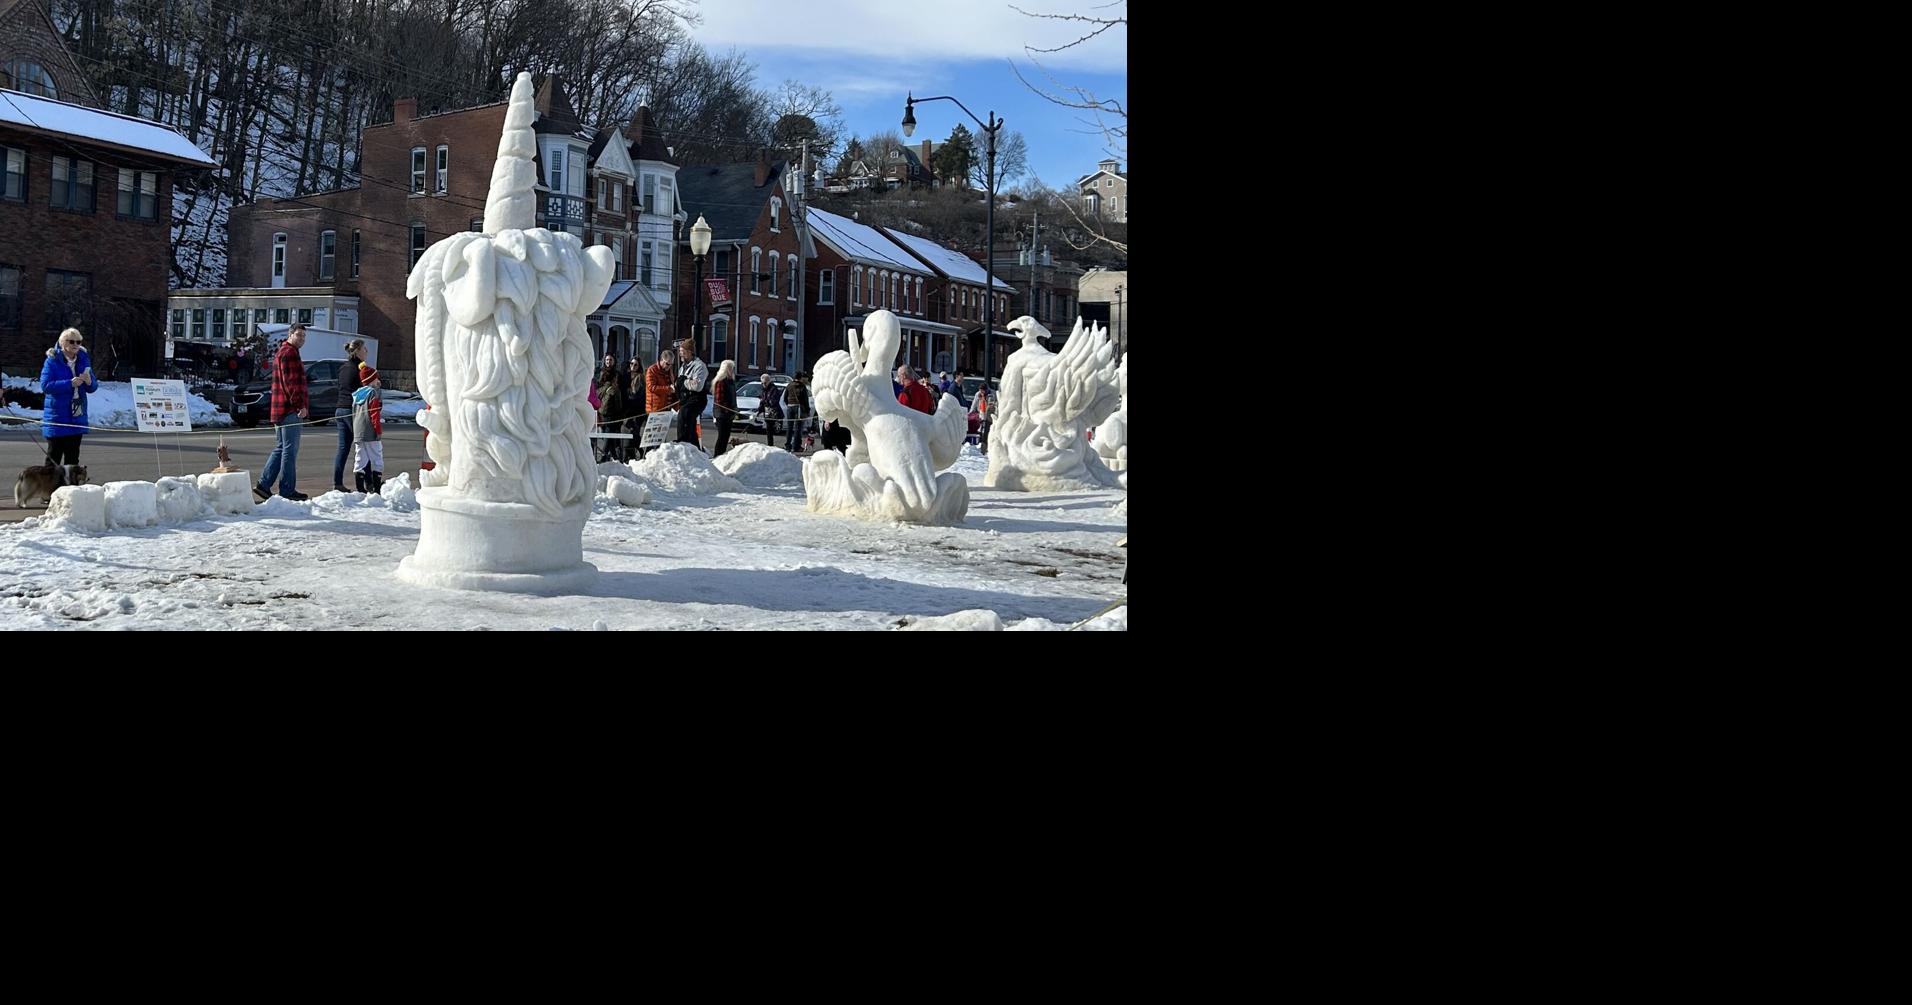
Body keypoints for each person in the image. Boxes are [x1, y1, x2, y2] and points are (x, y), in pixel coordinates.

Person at [255, 324, 311, 501]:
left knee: (281, 448)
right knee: (289, 450)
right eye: (299, 335)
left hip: (280, 409)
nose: (302, 339)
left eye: (304, 336)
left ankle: (264, 485)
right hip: (289, 409)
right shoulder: (290, 353)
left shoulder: (283, 352)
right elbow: (292, 384)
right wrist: (300, 405)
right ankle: (287, 489)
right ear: (290, 334)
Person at [40, 328, 96, 465]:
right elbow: (46, 386)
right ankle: (52, 480)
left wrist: (89, 382)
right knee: (53, 459)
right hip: (58, 416)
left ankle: (70, 480)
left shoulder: (84, 360)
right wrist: (69, 383)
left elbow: (93, 387)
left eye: (78, 342)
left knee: (72, 460)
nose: (76, 345)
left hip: (76, 415)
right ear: (63, 343)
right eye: (72, 341)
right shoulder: (52, 361)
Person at [332, 338, 366, 493]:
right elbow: (362, 392)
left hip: (340, 409)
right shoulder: (359, 369)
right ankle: (368, 482)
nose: (366, 352)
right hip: (352, 410)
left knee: (343, 448)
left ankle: (337, 482)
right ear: (357, 351)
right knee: (363, 445)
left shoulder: (343, 367)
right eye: (364, 349)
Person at [352, 363, 385, 493]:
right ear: (372, 380)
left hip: (358, 432)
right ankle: (377, 488)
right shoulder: (373, 393)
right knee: (377, 457)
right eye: (376, 378)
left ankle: (360, 488)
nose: (378, 381)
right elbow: (374, 413)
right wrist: (378, 430)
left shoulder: (357, 394)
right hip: (370, 431)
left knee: (360, 458)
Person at [672, 338, 707, 448]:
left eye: (682, 351)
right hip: (685, 399)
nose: (680, 354)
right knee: (690, 424)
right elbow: (680, 383)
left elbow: (697, 386)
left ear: (690, 352)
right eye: (680, 351)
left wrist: (684, 381)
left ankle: (683, 441)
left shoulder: (699, 366)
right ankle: (693, 446)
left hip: (697, 398)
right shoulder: (682, 367)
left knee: (684, 414)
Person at [642, 348, 675, 458]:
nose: (669, 367)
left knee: (661, 436)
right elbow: (651, 387)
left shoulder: (669, 372)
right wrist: (668, 389)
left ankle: (659, 458)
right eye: (667, 364)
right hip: (654, 408)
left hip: (666, 407)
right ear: (662, 360)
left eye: (671, 364)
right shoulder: (652, 370)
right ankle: (646, 457)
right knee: (652, 438)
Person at [594, 353, 625, 462]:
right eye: (607, 360)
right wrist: (607, 389)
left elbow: (621, 391)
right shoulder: (600, 373)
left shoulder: (618, 374)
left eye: (610, 360)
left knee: (610, 433)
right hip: (603, 408)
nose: (608, 362)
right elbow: (596, 391)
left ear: (614, 361)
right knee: (607, 433)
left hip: (615, 408)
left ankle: (606, 456)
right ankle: (611, 456)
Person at [710, 359, 738, 457]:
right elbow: (719, 400)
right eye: (730, 368)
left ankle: (721, 455)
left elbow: (733, 397)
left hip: (729, 414)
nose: (732, 370)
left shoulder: (731, 382)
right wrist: (728, 410)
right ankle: (717, 456)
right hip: (722, 414)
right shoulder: (721, 382)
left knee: (726, 437)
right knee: (722, 437)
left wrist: (735, 409)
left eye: (733, 368)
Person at [783, 370, 810, 453]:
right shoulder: (802, 386)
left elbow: (785, 397)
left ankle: (788, 445)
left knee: (789, 427)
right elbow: (805, 400)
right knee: (798, 428)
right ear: (800, 378)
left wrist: (788, 403)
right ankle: (796, 446)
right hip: (799, 407)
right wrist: (807, 410)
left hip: (790, 407)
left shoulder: (789, 385)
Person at [756, 373, 783, 446]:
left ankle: (772, 445)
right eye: (762, 383)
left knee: (774, 430)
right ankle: (770, 445)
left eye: (765, 383)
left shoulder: (773, 389)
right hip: (767, 412)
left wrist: (764, 400)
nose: (763, 385)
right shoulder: (764, 390)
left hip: (774, 412)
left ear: (769, 381)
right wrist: (759, 410)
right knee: (768, 430)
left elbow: (773, 401)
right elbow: (762, 401)